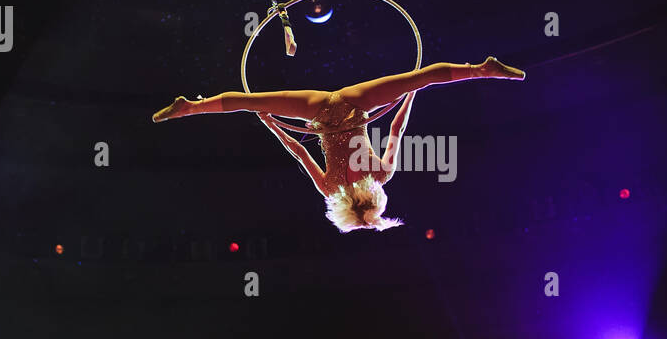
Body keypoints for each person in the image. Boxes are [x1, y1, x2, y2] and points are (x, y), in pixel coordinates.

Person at [153, 57, 524, 231]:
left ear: (372, 205)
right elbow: (298, 151)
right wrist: (273, 126)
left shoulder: (381, 176)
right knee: (253, 102)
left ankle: (482, 70)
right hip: (324, 112)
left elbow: (395, 130)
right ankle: (192, 108)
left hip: (351, 104)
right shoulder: (335, 189)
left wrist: (411, 95)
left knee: (422, 77)